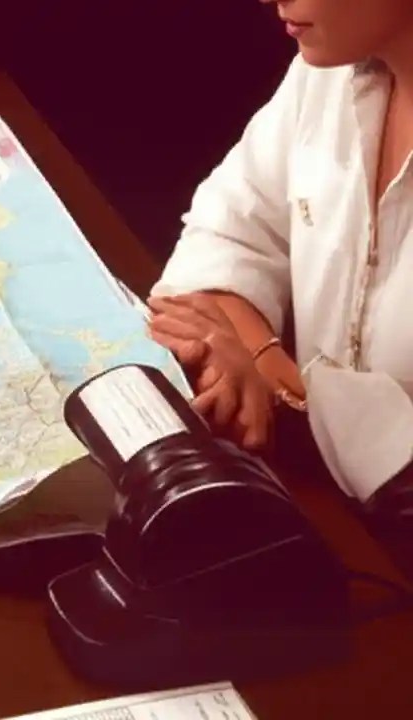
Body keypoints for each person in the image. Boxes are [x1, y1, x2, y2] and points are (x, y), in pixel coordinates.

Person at [149, 0, 413, 570]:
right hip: (325, 515)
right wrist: (253, 364)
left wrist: (278, 391)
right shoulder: (328, 70)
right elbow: (224, 232)